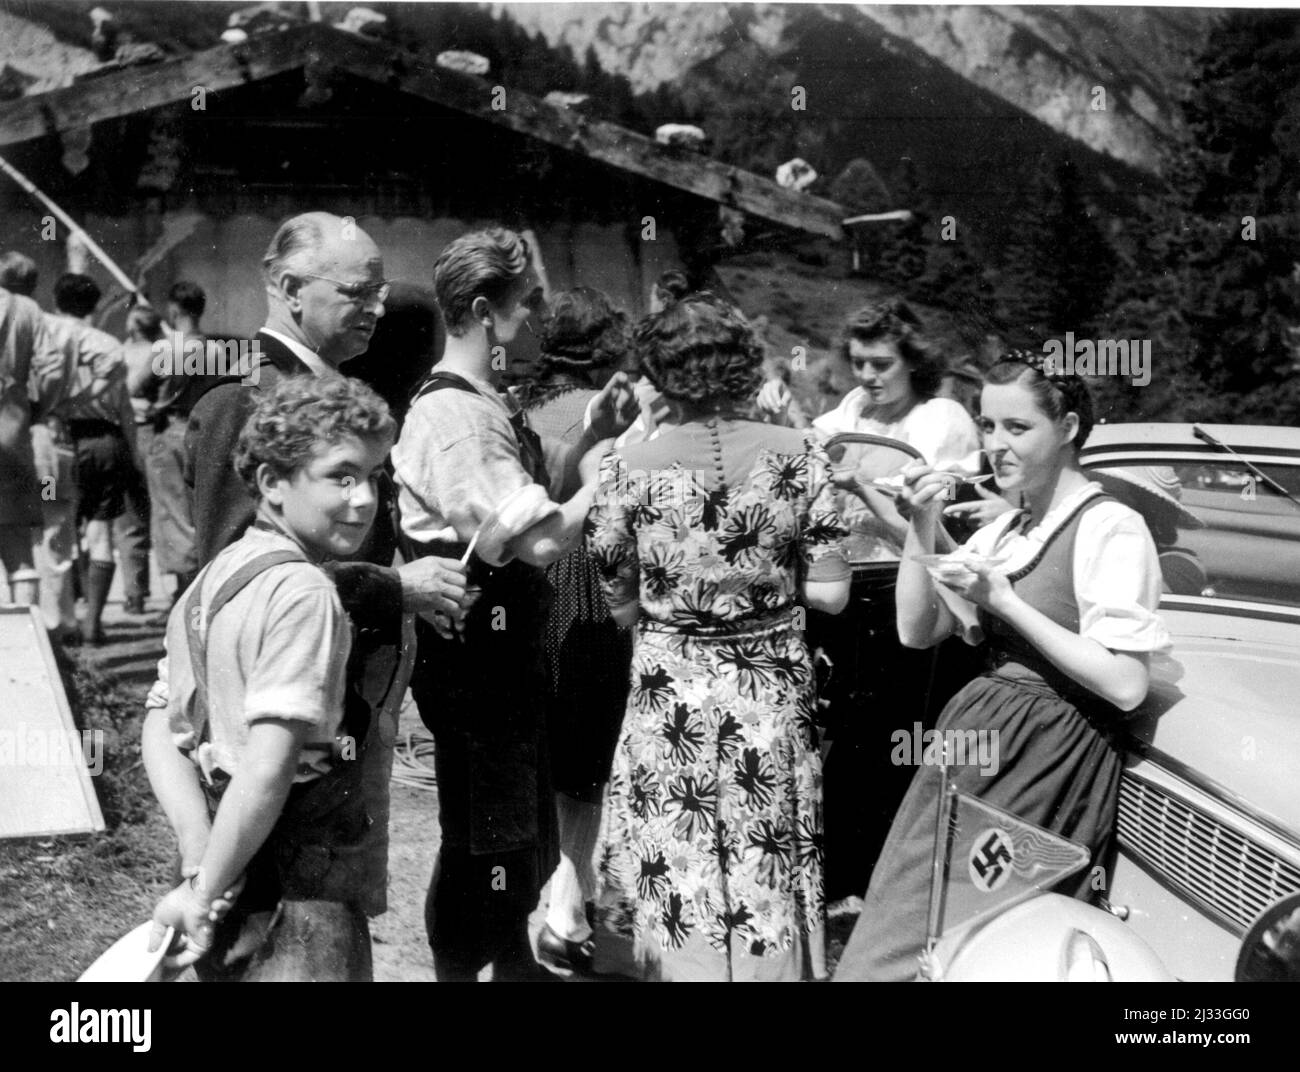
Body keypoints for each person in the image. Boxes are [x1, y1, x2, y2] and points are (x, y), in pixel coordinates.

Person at [176, 212, 470, 956]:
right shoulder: (248, 396)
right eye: (358, 291)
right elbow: (238, 575)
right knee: (301, 930)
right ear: (287, 288)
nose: (377, 307)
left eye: (381, 291)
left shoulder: (317, 388)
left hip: (326, 719)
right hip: (286, 745)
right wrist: (394, 588)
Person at [833, 350, 1170, 981]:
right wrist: (922, 522)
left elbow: (1126, 684)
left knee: (966, 934)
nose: (995, 444)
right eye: (987, 426)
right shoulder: (1011, 527)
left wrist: (1006, 602)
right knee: (910, 919)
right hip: (980, 743)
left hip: (1045, 752)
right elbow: (917, 630)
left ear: (1068, 427)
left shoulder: (1110, 526)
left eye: (1017, 427)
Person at [391, 227, 637, 981]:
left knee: (513, 833)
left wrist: (592, 435)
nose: (536, 320)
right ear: (482, 311)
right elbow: (537, 540)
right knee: (484, 837)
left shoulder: (481, 402)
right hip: (476, 663)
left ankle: (509, 959)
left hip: (502, 657)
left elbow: (533, 491)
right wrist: (611, 474)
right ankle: (461, 969)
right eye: (526, 305)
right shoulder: (457, 417)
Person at [586, 292, 851, 981]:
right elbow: (830, 593)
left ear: (660, 372)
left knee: (679, 855)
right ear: (745, 366)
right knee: (767, 853)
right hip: (768, 687)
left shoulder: (624, 467)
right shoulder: (803, 454)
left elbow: (620, 607)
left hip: (669, 690)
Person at [144, 375, 398, 980]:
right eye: (341, 476)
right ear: (271, 483)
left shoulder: (212, 579)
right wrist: (204, 891)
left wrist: (199, 853)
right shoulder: (306, 592)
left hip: (227, 864)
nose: (365, 498)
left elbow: (162, 724)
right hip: (299, 897)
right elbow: (268, 766)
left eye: (375, 476)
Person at [518, 287, 634, 973]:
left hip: (532, 592)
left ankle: (558, 905)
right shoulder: (607, 416)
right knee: (587, 761)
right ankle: (567, 913)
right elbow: (613, 505)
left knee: (547, 755)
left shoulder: (522, 408)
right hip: (587, 593)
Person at [43, 273, 139, 644]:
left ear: (56, 301)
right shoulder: (104, 345)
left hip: (59, 441)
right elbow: (126, 409)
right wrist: (133, 455)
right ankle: (93, 624)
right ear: (95, 306)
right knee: (101, 533)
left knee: (56, 526)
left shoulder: (46, 339)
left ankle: (62, 619)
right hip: (106, 443)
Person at [0, 262, 62, 616]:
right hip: (10, 434)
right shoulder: (25, 308)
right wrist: (37, 411)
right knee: (19, 552)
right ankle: (27, 639)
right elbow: (52, 371)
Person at [115, 303, 163, 616]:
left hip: (126, 433)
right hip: (152, 431)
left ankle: (134, 593)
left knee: (130, 518)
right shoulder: (163, 352)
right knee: (164, 512)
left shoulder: (120, 353)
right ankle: (179, 586)